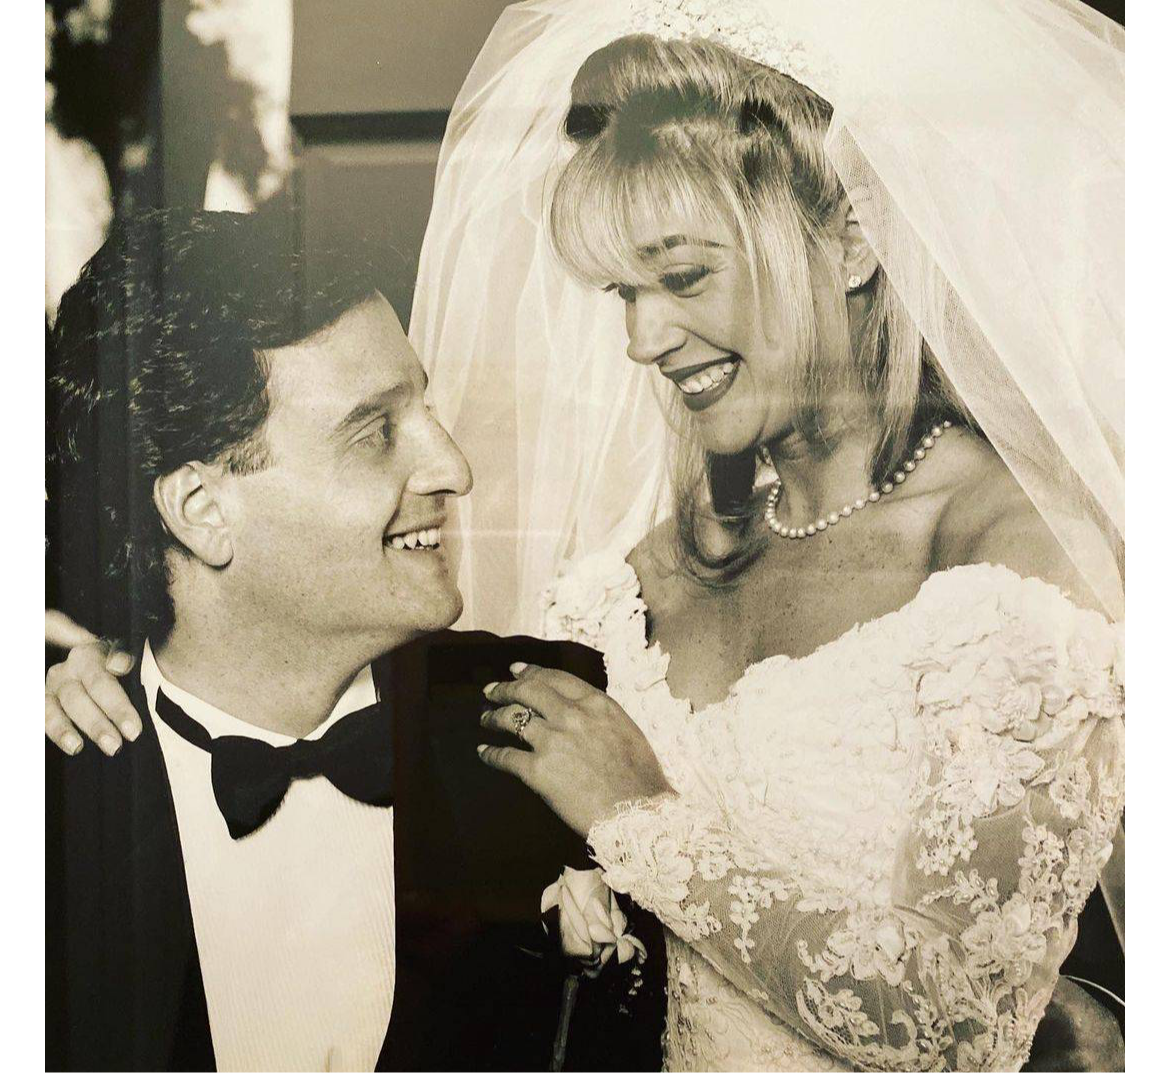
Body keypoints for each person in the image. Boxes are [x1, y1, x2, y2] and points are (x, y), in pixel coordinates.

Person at [413, 2, 1125, 1071]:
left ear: (849, 241)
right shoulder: (636, 576)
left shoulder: (1011, 561)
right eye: (623, 291)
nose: (644, 338)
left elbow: (962, 1026)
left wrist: (636, 819)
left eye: (683, 277)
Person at [43, 207, 665, 1073]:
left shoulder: (552, 722)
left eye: (425, 409)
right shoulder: (69, 801)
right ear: (202, 509)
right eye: (376, 432)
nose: (453, 468)